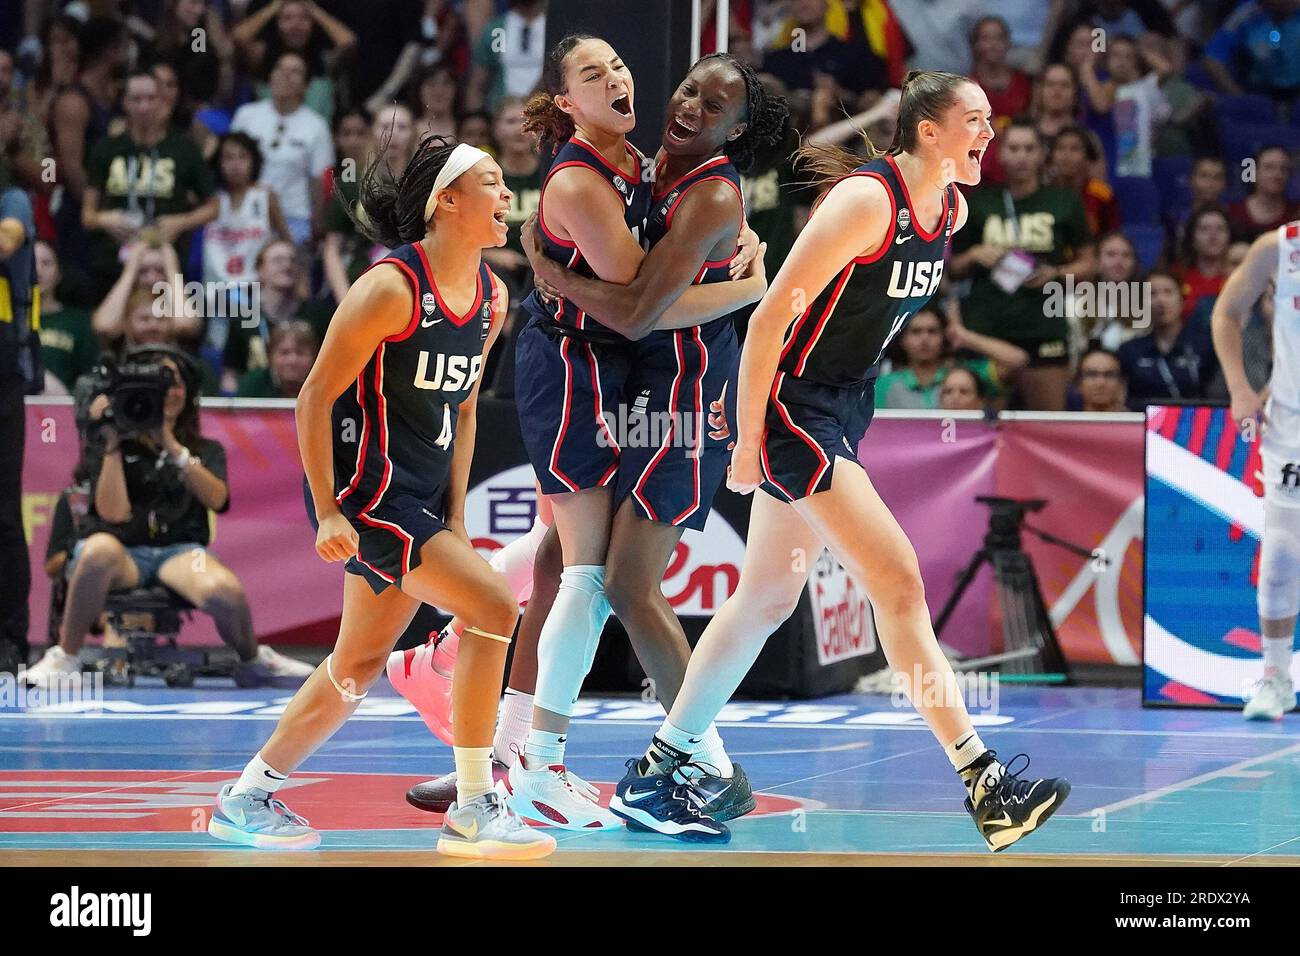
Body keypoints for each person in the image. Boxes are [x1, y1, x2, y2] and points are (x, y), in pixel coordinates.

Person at [609, 70, 1070, 849]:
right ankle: (984, 782)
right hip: (795, 406)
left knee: (763, 601)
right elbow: (765, 326)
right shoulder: (868, 202)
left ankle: (657, 770)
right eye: (977, 120)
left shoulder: (949, 208)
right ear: (929, 131)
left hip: (840, 405)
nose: (989, 134)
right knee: (898, 583)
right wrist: (749, 443)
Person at [427, 35, 764, 832]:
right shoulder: (584, 177)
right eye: (592, 73)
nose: (618, 77)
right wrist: (748, 286)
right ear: (567, 102)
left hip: (639, 377)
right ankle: (556, 763)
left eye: (619, 65)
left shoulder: (647, 163)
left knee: (561, 561)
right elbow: (637, 308)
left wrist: (742, 263)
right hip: (577, 365)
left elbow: (655, 290)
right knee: (589, 575)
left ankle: (514, 748)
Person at [207, 134, 556, 860]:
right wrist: (327, 510)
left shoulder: (492, 297)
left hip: (423, 502)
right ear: (446, 202)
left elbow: (462, 412)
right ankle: (473, 803)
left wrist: (457, 515)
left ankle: (245, 797)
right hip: (367, 498)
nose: (506, 196)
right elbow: (312, 398)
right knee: (493, 605)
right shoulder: (392, 289)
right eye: (491, 183)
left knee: (355, 666)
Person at [516, 51, 786, 827]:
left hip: (687, 395)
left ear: (735, 132)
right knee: (564, 561)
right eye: (692, 88)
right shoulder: (640, 163)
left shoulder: (709, 194)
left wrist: (554, 275)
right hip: (630, 380)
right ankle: (521, 751)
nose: (693, 105)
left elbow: (634, 312)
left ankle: (702, 759)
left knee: (621, 583)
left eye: (716, 105)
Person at [20, 345, 313, 689]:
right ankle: (64, 658)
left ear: (187, 393)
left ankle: (252, 660)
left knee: (224, 590)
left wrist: (170, 444)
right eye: (158, 385)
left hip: (179, 553)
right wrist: (113, 443)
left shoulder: (204, 450)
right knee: (97, 550)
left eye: (174, 384)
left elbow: (217, 499)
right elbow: (115, 515)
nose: (167, 392)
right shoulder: (108, 444)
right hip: (122, 555)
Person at [1213, 220, 1300, 719]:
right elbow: (1226, 313)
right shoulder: (1278, 247)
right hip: (1289, 430)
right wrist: (1241, 389)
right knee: (1283, 553)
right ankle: (1276, 679)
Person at [949, 119, 1095, 410]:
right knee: (981, 434)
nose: (1021, 157)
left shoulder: (1064, 201)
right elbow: (952, 269)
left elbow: (1089, 263)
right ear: (1001, 154)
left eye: (1029, 149)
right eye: (1014, 148)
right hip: (986, 327)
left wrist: (1056, 273)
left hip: (1043, 327)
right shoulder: (978, 203)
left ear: (1043, 155)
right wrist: (975, 253)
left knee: (1049, 428)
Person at [82, 69, 219, 300]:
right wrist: (104, 218)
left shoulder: (183, 149)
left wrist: (182, 222)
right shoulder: (106, 149)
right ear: (125, 102)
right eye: (136, 99)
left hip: (165, 262)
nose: (143, 107)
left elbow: (213, 207)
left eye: (151, 99)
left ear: (163, 101)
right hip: (113, 262)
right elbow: (87, 216)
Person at [230, 52, 335, 247]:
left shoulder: (317, 126)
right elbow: (228, 164)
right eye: (280, 68)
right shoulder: (246, 115)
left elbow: (320, 180)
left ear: (306, 85)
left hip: (294, 217)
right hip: (247, 216)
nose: (285, 75)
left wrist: (316, 223)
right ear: (270, 76)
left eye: (295, 71)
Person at [0, 175, 38, 674]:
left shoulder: (11, 199)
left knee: (5, 514)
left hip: (3, 377)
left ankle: (10, 642)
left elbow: (8, 238)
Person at [1117, 271, 1218, 408]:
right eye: (1152, 294)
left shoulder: (1207, 345)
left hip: (1197, 423)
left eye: (1168, 292)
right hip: (1145, 423)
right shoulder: (1130, 350)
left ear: (1182, 300)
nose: (1161, 300)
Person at [35, 240, 99, 394]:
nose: (37, 270)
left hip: (65, 409)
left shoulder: (78, 321)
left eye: (46, 263)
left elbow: (90, 375)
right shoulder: (8, 320)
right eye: (30, 262)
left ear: (59, 273)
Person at [1226, 146, 1299, 243]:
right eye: (1269, 167)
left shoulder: (1296, 216)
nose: (1277, 174)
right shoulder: (1233, 213)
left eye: (1283, 169)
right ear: (1253, 172)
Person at [235, 319, 317, 398]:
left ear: (314, 356)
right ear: (270, 356)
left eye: (300, 353)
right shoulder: (251, 384)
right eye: (284, 353)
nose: (292, 360)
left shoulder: (324, 384)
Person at [1075, 346, 1128, 412]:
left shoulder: (1140, 421)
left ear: (1122, 383)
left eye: (1109, 375)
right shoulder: (1065, 421)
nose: (1100, 383)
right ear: (1078, 383)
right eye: (1092, 374)